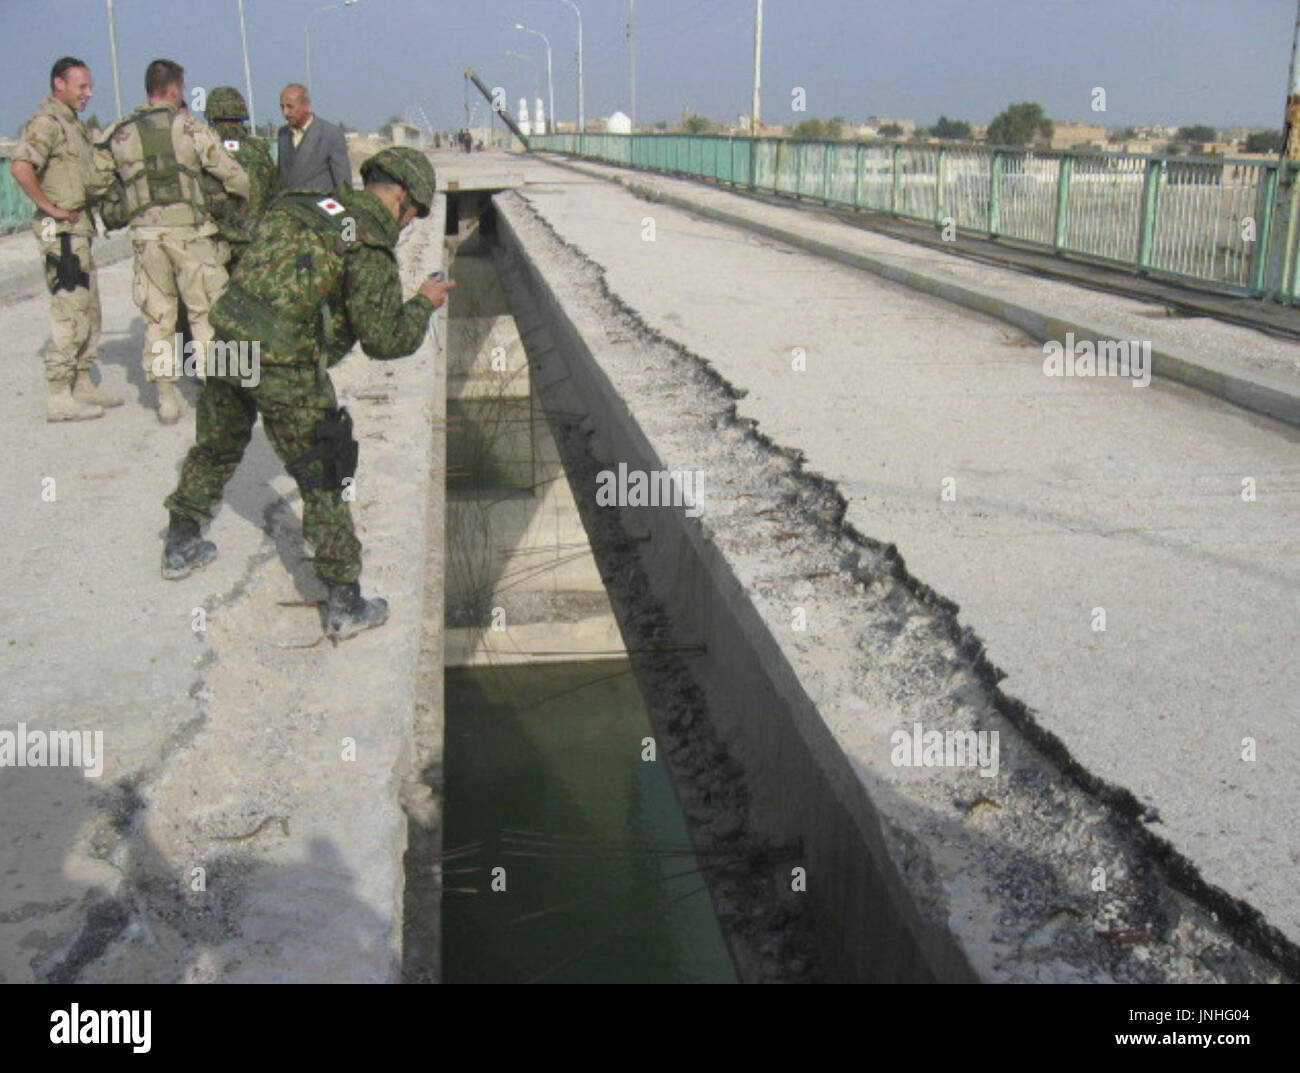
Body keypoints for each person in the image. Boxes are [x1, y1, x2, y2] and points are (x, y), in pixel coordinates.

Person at [161, 147, 455, 639]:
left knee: (217, 443)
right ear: (402, 197)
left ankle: (181, 541)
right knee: (325, 476)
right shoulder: (369, 246)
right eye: (414, 214)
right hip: (284, 363)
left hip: (231, 335)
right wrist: (425, 303)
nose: (409, 225)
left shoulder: (309, 204)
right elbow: (386, 340)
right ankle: (346, 601)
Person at [88, 59, 249, 423]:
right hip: (190, 237)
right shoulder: (189, 127)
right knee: (203, 314)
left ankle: (166, 398)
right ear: (176, 89)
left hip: (147, 239)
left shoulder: (118, 133)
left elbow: (94, 184)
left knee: (159, 318)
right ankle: (213, 393)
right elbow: (234, 176)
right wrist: (239, 202)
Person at [10, 56, 118, 421]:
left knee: (89, 307)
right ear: (59, 84)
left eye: (89, 86)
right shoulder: (47, 123)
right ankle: (59, 394)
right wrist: (50, 208)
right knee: (69, 307)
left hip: (79, 229)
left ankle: (82, 382)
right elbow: (21, 166)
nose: (88, 93)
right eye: (81, 86)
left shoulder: (74, 125)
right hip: (62, 233)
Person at [201, 86, 278, 272]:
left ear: (211, 113)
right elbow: (275, 194)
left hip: (216, 242)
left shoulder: (205, 149)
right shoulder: (259, 150)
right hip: (254, 240)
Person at [277, 84, 350, 191]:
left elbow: (343, 182)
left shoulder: (330, 134)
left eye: (290, 106)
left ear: (306, 106)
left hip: (316, 204)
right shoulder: (283, 134)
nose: (285, 112)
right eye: (282, 107)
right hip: (288, 204)